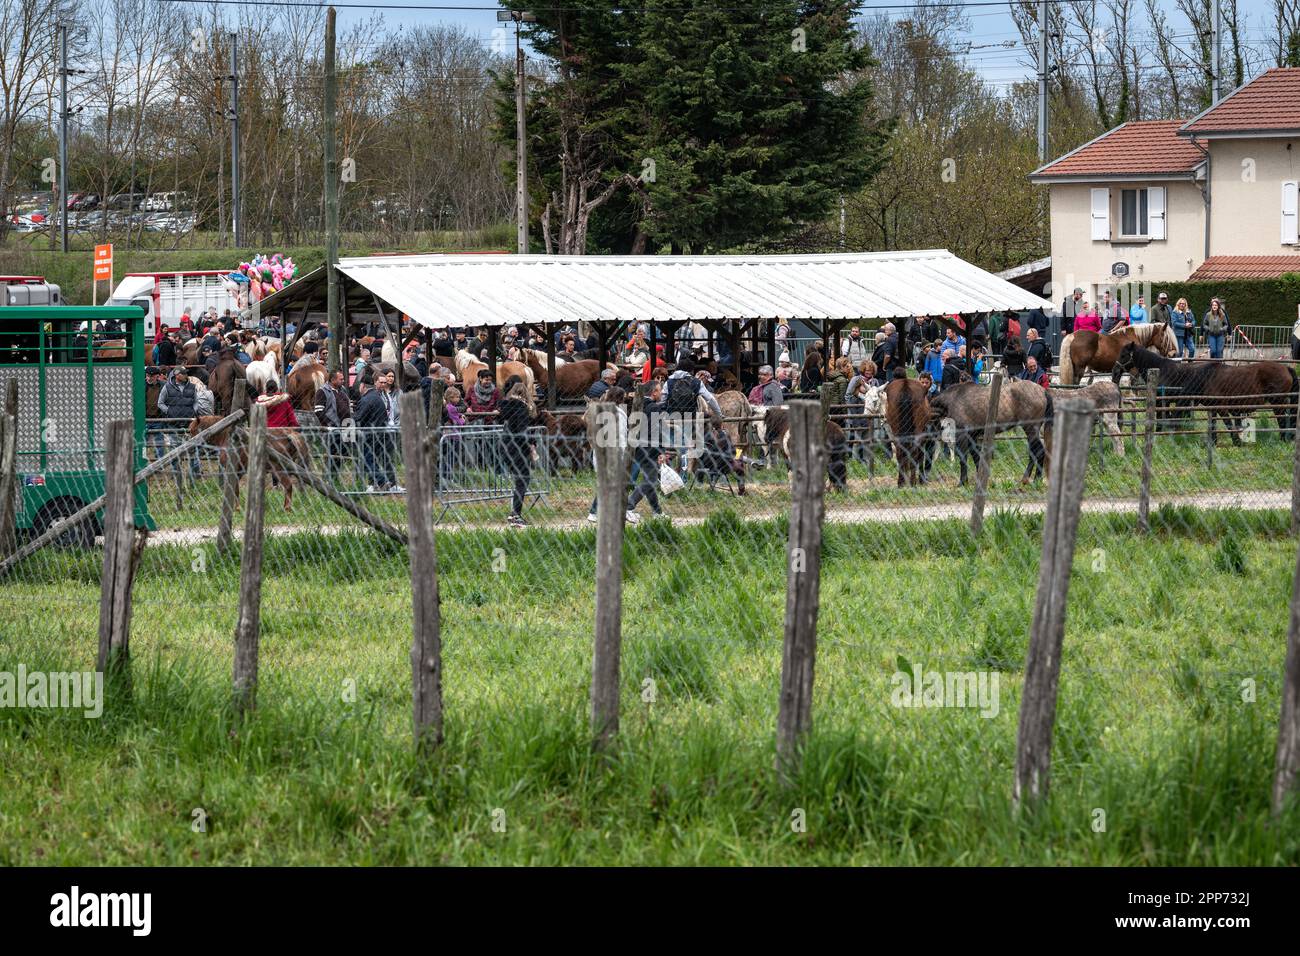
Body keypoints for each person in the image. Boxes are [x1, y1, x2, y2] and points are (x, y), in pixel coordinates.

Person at [499, 375, 536, 527]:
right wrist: (530, 445)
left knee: (519, 479)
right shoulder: (521, 408)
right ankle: (515, 515)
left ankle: (515, 513)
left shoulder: (506, 406)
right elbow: (522, 431)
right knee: (523, 479)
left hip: (506, 446)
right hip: (518, 448)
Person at [314, 369, 353, 481]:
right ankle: (327, 479)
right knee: (331, 455)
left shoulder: (343, 391)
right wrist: (328, 425)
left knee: (342, 455)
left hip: (345, 428)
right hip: (332, 430)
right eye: (341, 379)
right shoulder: (322, 392)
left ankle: (335, 478)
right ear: (332, 380)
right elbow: (318, 411)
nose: (343, 381)